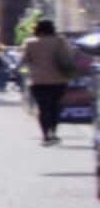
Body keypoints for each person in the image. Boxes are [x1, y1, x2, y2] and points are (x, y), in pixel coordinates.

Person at [18, 19, 85, 147]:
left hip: (38, 81)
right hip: (58, 79)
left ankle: (45, 136)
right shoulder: (59, 41)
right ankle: (54, 132)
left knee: (43, 108)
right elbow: (69, 54)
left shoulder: (30, 43)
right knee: (55, 106)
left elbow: (24, 59)